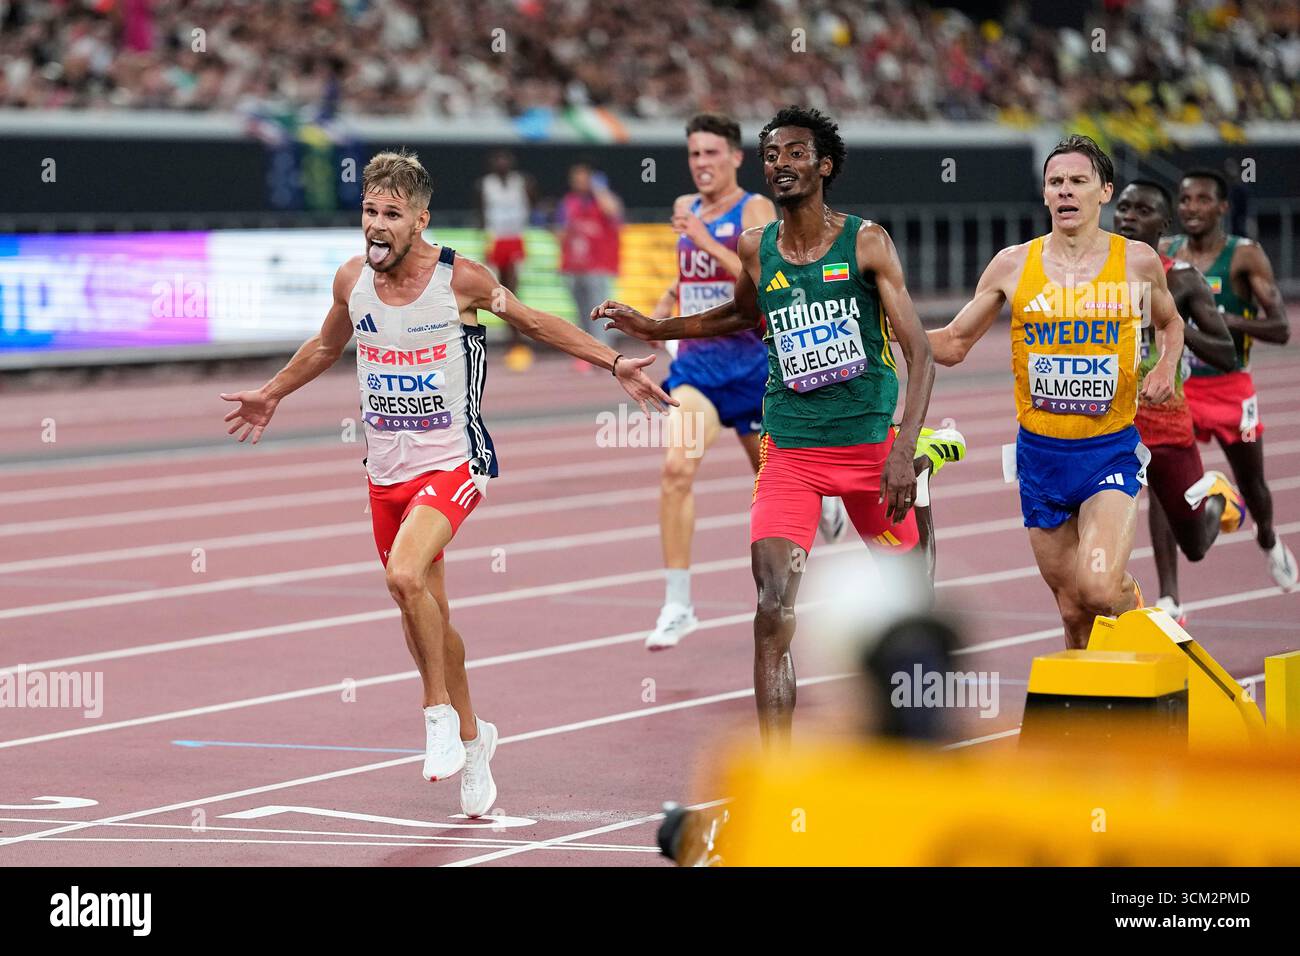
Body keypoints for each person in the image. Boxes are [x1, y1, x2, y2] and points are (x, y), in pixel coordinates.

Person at [220, 150, 673, 815]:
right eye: (370, 212)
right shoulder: (353, 280)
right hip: (385, 472)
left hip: (455, 462)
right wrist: (272, 393)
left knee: (403, 577)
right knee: (427, 611)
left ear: (421, 220)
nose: (376, 226)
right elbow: (324, 347)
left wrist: (612, 364)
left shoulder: (461, 279)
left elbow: (534, 321)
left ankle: (436, 716)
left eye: (392, 215)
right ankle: (474, 736)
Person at [595, 106, 937, 744]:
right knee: (772, 609)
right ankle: (777, 772)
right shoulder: (757, 247)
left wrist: (902, 449)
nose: (781, 164)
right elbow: (736, 316)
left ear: (824, 165)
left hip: (869, 450)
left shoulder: (866, 242)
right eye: (772, 155)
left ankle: (921, 494)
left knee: (909, 607)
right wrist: (654, 327)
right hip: (792, 453)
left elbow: (919, 354)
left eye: (796, 153)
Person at [927, 134, 1185, 650]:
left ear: (1104, 191)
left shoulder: (1135, 262)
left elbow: (1171, 321)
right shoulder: (1012, 265)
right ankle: (1087, 717)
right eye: (1055, 182)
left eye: (1078, 181)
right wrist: (877, 330)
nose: (1065, 192)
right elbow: (954, 344)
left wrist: (1166, 365)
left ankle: (1148, 624)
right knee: (1072, 611)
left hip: (1106, 451)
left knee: (1098, 587)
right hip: (1039, 458)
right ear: (1044, 194)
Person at [641, 112, 850, 651]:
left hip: (756, 366)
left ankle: (823, 498)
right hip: (698, 369)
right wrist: (670, 297)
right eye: (694, 155)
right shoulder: (685, 208)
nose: (702, 164)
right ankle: (678, 603)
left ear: (735, 157)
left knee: (772, 479)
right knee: (675, 468)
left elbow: (754, 269)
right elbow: (694, 271)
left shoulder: (755, 209)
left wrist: (705, 239)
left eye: (712, 153)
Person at [1113, 180, 1244, 625]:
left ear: (1164, 224)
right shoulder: (1091, 271)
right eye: (1124, 207)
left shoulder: (1182, 279)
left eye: (1143, 210)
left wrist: (1172, 328)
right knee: (1114, 516)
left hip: (1166, 421)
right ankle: (1164, 600)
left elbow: (1227, 353)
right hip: (1109, 425)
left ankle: (1218, 499)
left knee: (1195, 543)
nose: (1129, 216)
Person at [1163, 169, 1297, 590]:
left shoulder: (1245, 255)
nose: (1192, 208)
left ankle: (1269, 538)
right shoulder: (1166, 253)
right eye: (1185, 200)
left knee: (1252, 482)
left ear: (1222, 207)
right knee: (1165, 487)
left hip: (1231, 385)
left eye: (1203, 200)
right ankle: (1171, 597)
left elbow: (1280, 329)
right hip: (1181, 386)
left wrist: (1225, 321)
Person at [557, 163, 623, 373]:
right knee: (582, 314)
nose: (579, 182)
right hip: (574, 267)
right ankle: (586, 353)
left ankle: (604, 355)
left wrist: (599, 189)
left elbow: (613, 211)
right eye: (576, 178)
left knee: (600, 311)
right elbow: (561, 233)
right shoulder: (569, 202)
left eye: (584, 178)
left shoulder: (603, 199)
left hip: (599, 266)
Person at [479, 150, 539, 372]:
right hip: (496, 239)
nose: (502, 163)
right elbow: (481, 214)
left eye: (505, 159)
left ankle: (519, 339)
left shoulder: (522, 182)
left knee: (513, 288)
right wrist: (484, 242)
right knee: (501, 291)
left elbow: (535, 205)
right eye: (497, 159)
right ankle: (513, 337)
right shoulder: (485, 185)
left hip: (515, 237)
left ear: (511, 163)